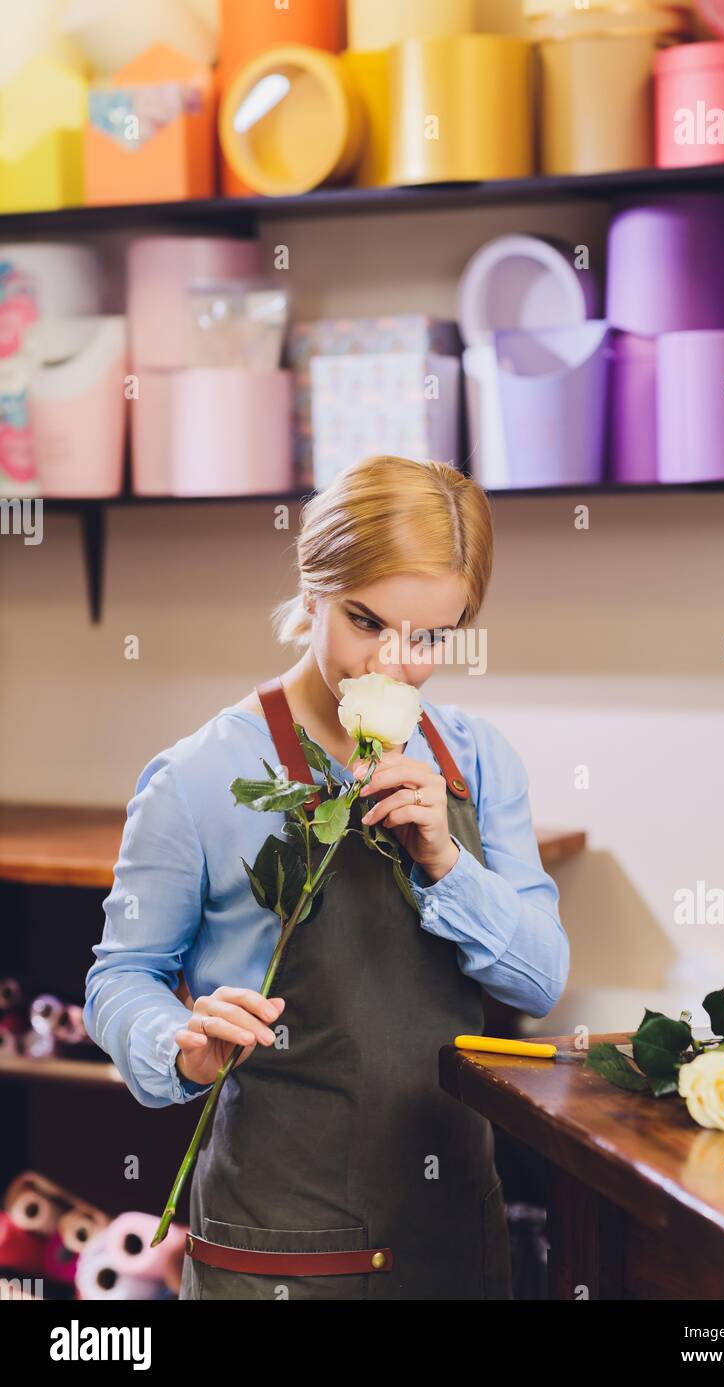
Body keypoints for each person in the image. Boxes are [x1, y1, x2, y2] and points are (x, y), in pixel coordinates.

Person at [83, 454, 569, 1300]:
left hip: (453, 1239)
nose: (393, 663)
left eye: (431, 638)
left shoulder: (477, 761)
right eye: (366, 621)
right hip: (279, 1249)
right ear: (312, 590)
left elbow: (540, 979)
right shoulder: (197, 777)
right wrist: (180, 1045)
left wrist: (445, 864)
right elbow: (120, 977)